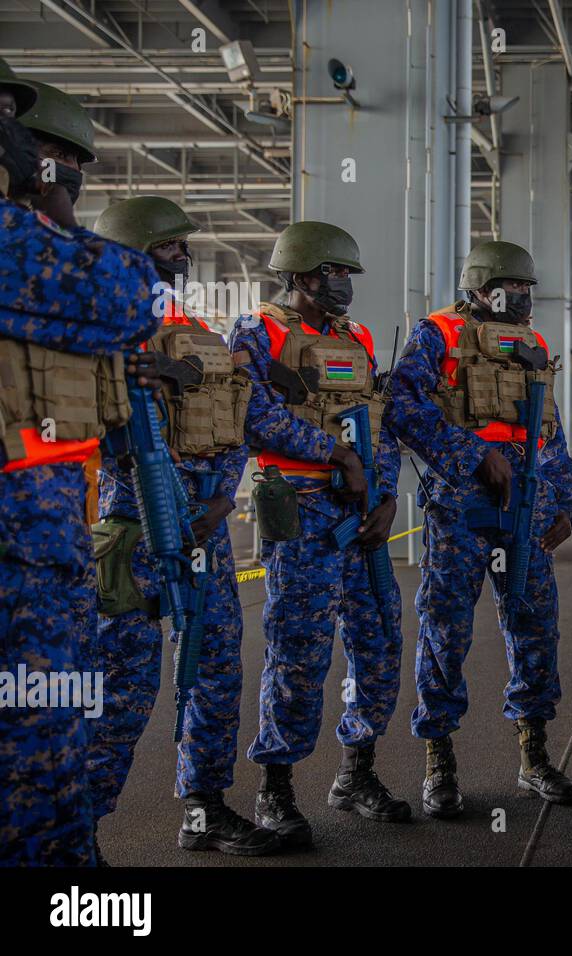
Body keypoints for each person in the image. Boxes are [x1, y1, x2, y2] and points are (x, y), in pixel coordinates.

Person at [86, 196, 279, 858]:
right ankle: (72, 833)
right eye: (166, 248)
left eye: (180, 248)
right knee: (122, 680)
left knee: (216, 664)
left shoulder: (197, 331)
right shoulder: (89, 331)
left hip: (204, 529)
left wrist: (220, 503)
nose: (180, 258)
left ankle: (205, 808)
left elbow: (230, 423)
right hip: (133, 529)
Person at [1, 91, 161, 865]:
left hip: (50, 559)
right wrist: (47, 209)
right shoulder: (17, 245)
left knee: (52, 753)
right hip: (21, 566)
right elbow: (132, 295)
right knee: (31, 766)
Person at [385, 239, 572, 817]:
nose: (524, 297)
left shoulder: (534, 344)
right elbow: (402, 405)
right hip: (460, 509)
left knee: (536, 626)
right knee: (446, 631)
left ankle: (535, 755)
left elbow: (551, 428)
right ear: (482, 289)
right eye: (514, 286)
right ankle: (439, 763)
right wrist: (473, 455)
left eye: (528, 287)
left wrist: (565, 501)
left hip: (526, 509)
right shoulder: (438, 334)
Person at [230, 221, 406, 849]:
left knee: (380, 643)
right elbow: (252, 413)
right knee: (299, 654)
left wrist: (382, 492)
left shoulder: (356, 338)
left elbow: (379, 421)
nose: (344, 286)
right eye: (334, 274)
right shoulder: (259, 330)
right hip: (303, 512)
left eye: (348, 275)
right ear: (301, 275)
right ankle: (275, 789)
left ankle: (355, 774)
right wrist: (334, 454)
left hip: (360, 516)